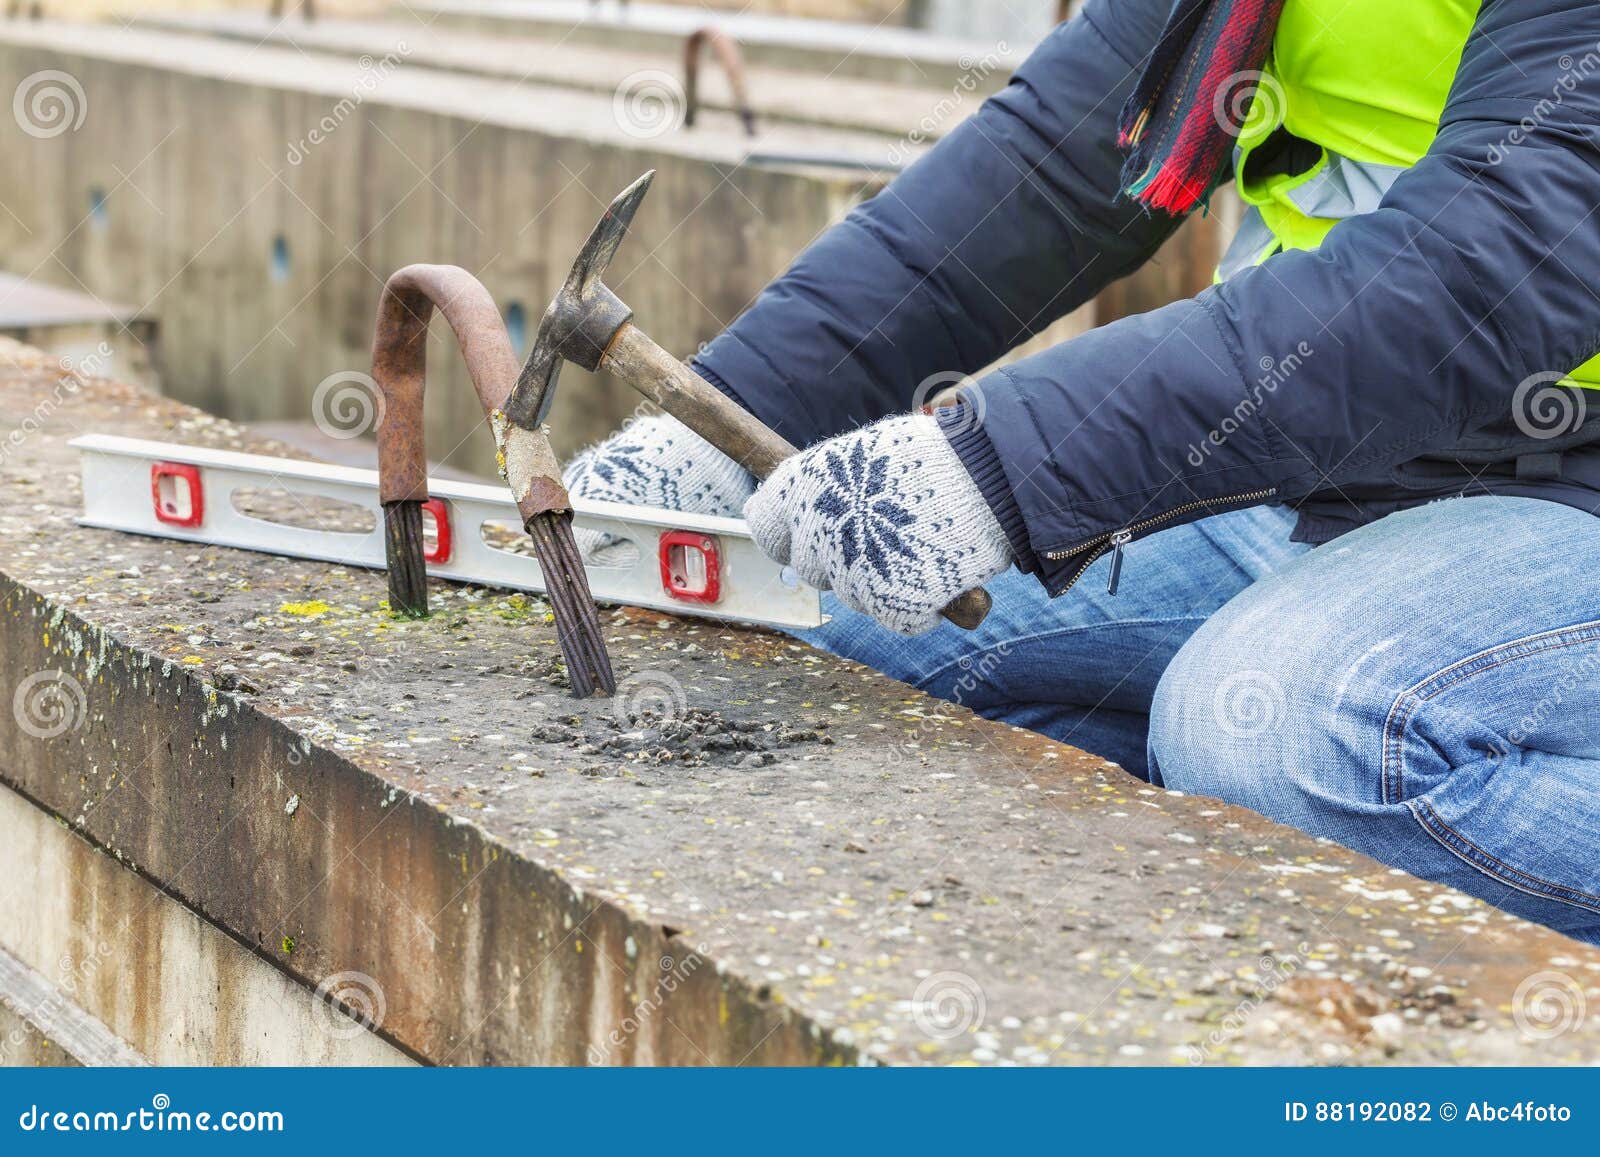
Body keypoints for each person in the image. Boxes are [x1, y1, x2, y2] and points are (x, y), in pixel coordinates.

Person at [564, 0, 1600, 944]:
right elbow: (1057, 162)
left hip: (1561, 483)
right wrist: (716, 427)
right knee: (813, 636)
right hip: (1327, 462)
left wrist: (1007, 462)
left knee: (1280, 731)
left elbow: (1508, 253)